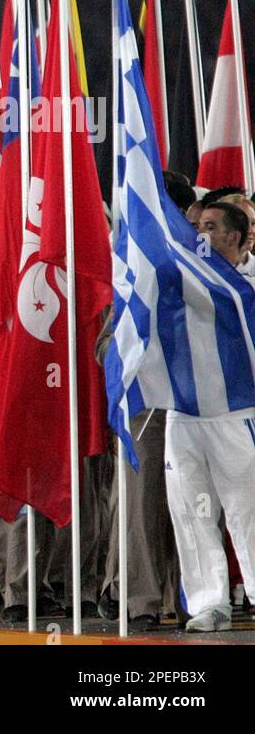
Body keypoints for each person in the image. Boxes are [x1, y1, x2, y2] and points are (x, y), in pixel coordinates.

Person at [164, 201, 255, 632]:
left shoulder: (250, 284)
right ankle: (209, 602)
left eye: (210, 227)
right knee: (192, 513)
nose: (199, 233)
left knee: (247, 512)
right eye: (197, 225)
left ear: (233, 238)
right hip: (183, 415)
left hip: (236, 414)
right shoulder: (177, 282)